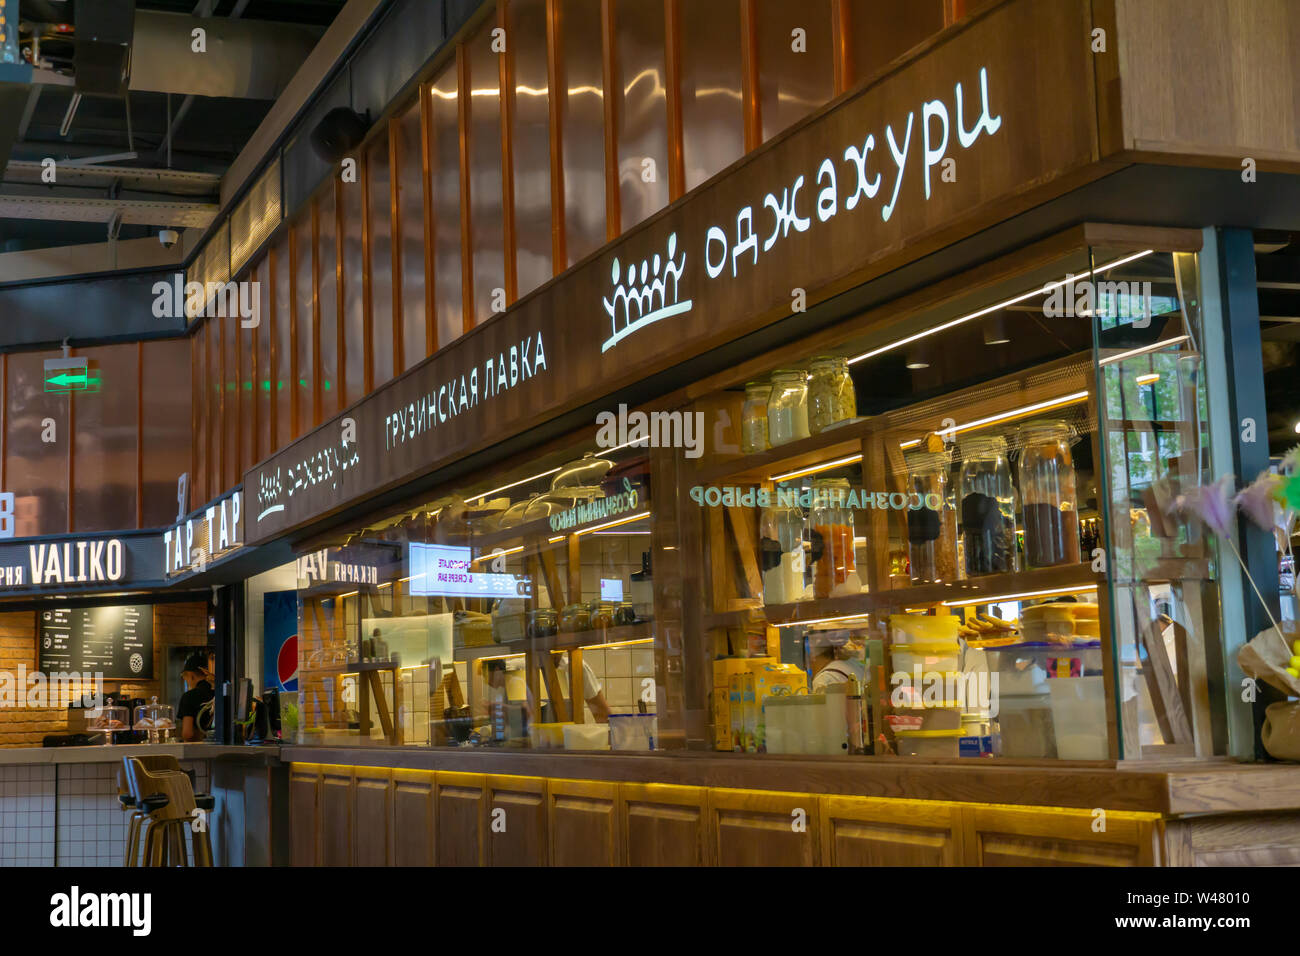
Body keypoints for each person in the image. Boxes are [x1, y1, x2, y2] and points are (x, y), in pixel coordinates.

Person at [178, 651, 215, 741]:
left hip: (199, 750)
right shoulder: (218, 693)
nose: (186, 680)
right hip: (221, 746)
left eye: (184, 677)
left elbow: (187, 734)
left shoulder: (189, 696)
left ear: (191, 676)